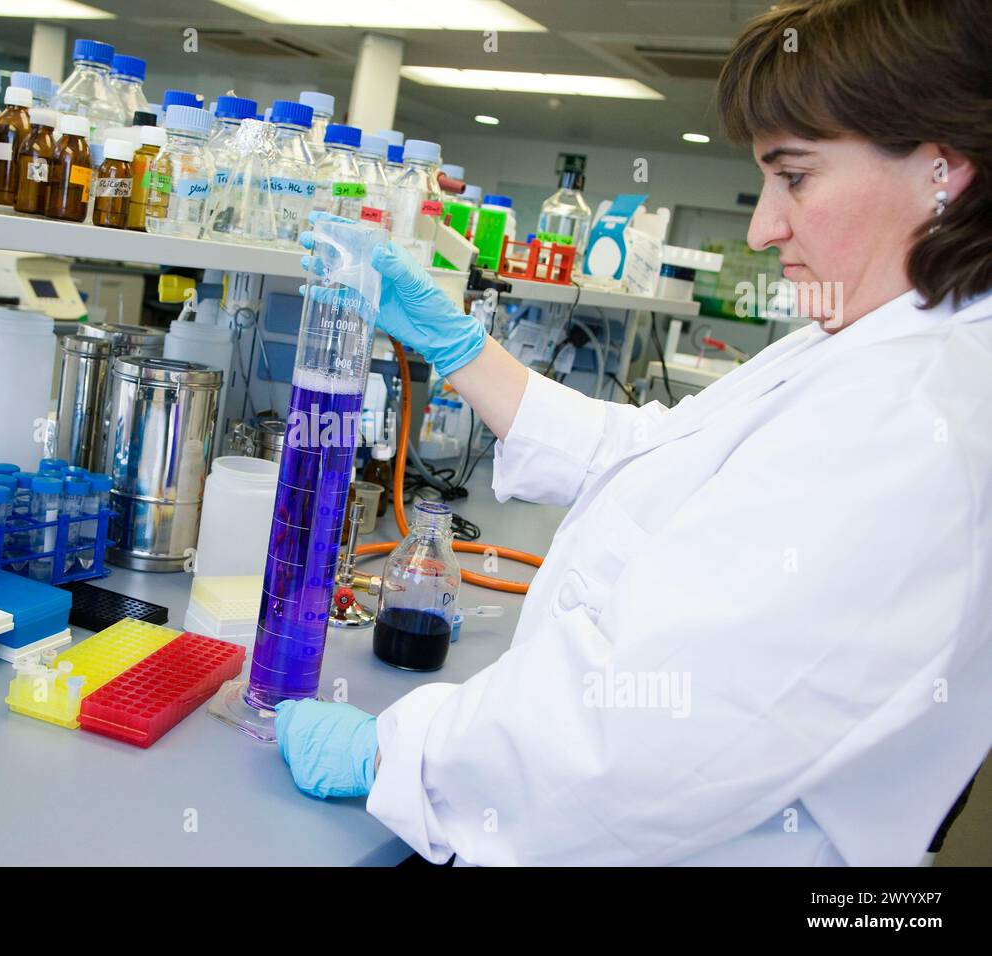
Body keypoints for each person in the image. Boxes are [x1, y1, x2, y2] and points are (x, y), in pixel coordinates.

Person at [274, 0, 992, 865]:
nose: (764, 227)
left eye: (794, 175)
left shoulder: (919, 412)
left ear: (942, 172)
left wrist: (400, 750)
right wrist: (461, 347)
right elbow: (657, 455)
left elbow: (647, 728)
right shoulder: (874, 335)